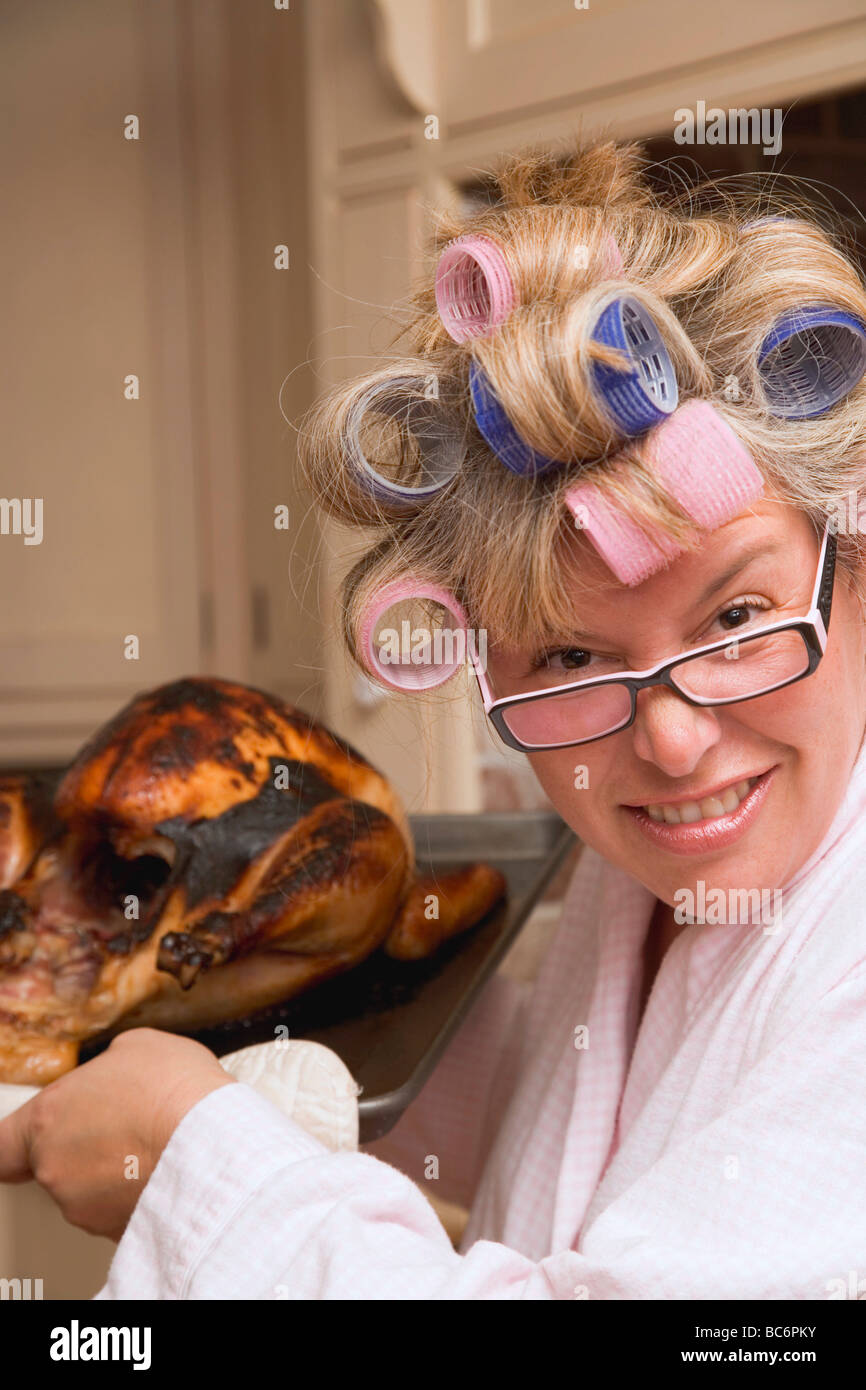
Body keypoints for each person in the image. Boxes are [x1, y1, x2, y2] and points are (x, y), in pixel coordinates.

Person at [3, 140, 866, 1300]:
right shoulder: (661, 874)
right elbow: (610, 1129)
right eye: (566, 652)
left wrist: (199, 1167)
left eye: (738, 614)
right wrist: (279, 1028)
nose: (665, 739)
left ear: (851, 565)